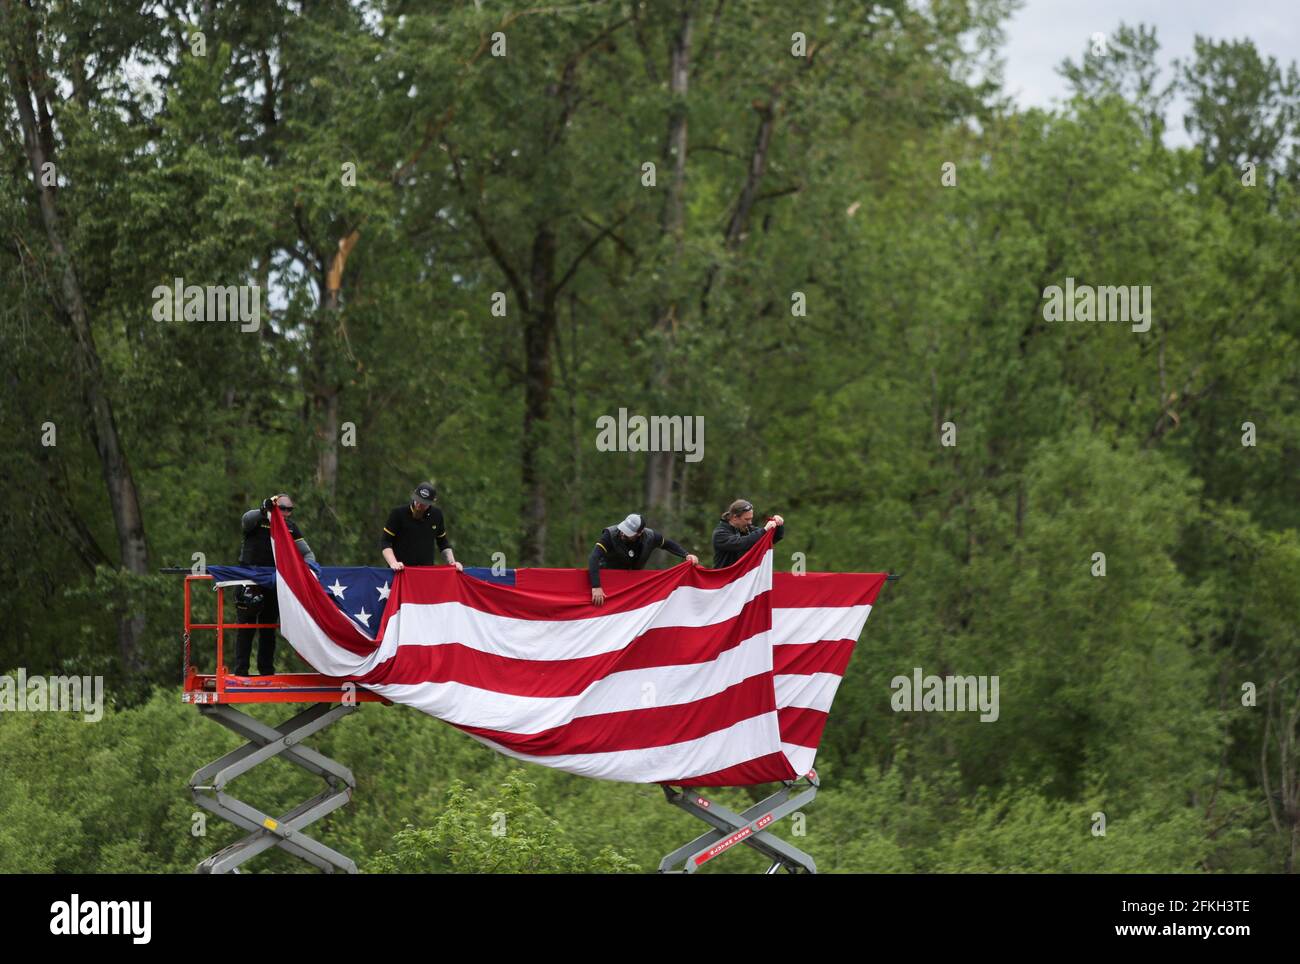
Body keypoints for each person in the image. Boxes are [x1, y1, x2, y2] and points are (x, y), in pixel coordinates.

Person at [233, 493, 318, 676]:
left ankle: (266, 671)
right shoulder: (258, 520)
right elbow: (246, 520)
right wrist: (264, 509)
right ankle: (241, 672)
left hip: (273, 582)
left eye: (290, 509)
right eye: (282, 509)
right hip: (249, 579)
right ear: (273, 508)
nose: (286, 513)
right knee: (245, 627)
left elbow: (307, 553)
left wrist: (309, 568)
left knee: (269, 628)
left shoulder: (290, 528)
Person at [588, 513, 698, 605]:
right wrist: (596, 586)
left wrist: (686, 555)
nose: (622, 533)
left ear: (639, 533)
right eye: (623, 529)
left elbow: (668, 544)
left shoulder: (651, 537)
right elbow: (594, 557)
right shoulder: (610, 534)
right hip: (608, 580)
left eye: (628, 533)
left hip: (631, 582)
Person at [380, 481, 463, 571]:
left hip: (425, 573)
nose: (419, 505)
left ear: (432, 501)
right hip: (400, 572)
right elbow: (385, 541)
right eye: (417, 500)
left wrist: (452, 563)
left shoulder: (437, 515)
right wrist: (393, 563)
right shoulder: (398, 514)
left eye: (423, 503)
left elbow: (443, 543)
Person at [711, 498, 784, 568]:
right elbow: (741, 543)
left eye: (751, 519)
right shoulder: (720, 534)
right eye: (747, 519)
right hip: (725, 579)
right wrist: (764, 530)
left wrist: (778, 525)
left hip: (743, 578)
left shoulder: (747, 528)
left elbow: (772, 538)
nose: (750, 522)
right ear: (735, 517)